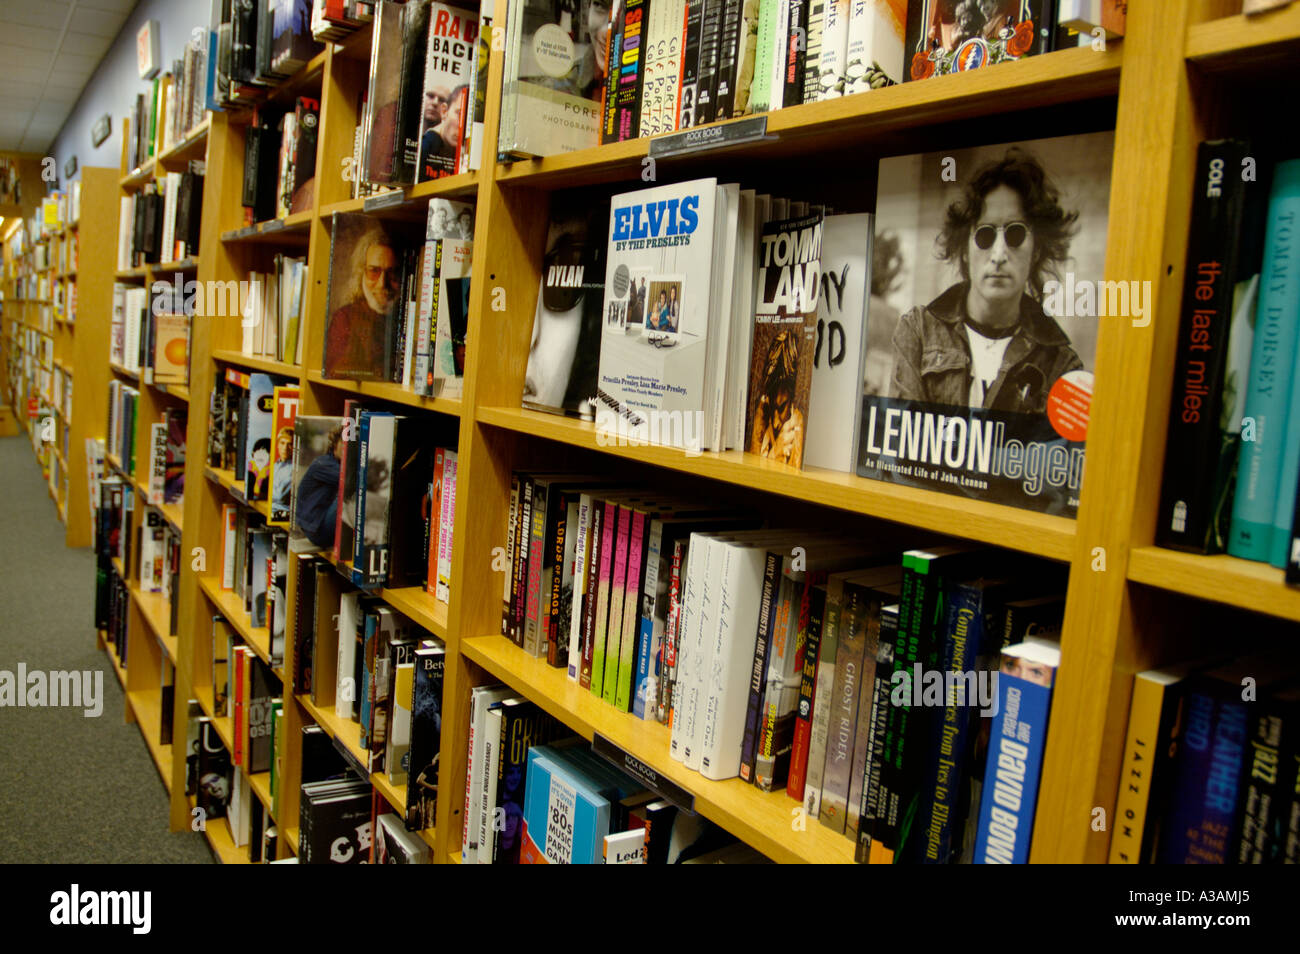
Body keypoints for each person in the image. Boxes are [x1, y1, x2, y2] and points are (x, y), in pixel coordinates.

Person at [889, 147, 1082, 414]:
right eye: (985, 235)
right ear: (965, 249)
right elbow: (902, 445)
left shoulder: (1060, 363)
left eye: (1015, 235)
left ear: (1036, 249)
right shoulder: (918, 332)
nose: (999, 254)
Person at [324, 227, 400, 378]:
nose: (382, 284)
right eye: (374, 271)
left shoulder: (405, 318)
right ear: (361, 273)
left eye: (392, 273)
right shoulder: (345, 319)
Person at [748, 330, 804, 466]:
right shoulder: (763, 417)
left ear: (791, 398)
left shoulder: (796, 425)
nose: (776, 421)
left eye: (782, 407)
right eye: (773, 406)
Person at [295, 426, 343, 550]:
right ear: (334, 444)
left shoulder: (333, 463)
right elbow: (352, 482)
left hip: (317, 526)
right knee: (349, 496)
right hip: (318, 531)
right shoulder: (324, 464)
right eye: (343, 444)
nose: (346, 449)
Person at [272, 424, 295, 518]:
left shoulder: (294, 468)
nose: (285, 448)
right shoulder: (274, 466)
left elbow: (279, 497)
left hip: (281, 514)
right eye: (282, 443)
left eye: (289, 444)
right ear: (277, 445)